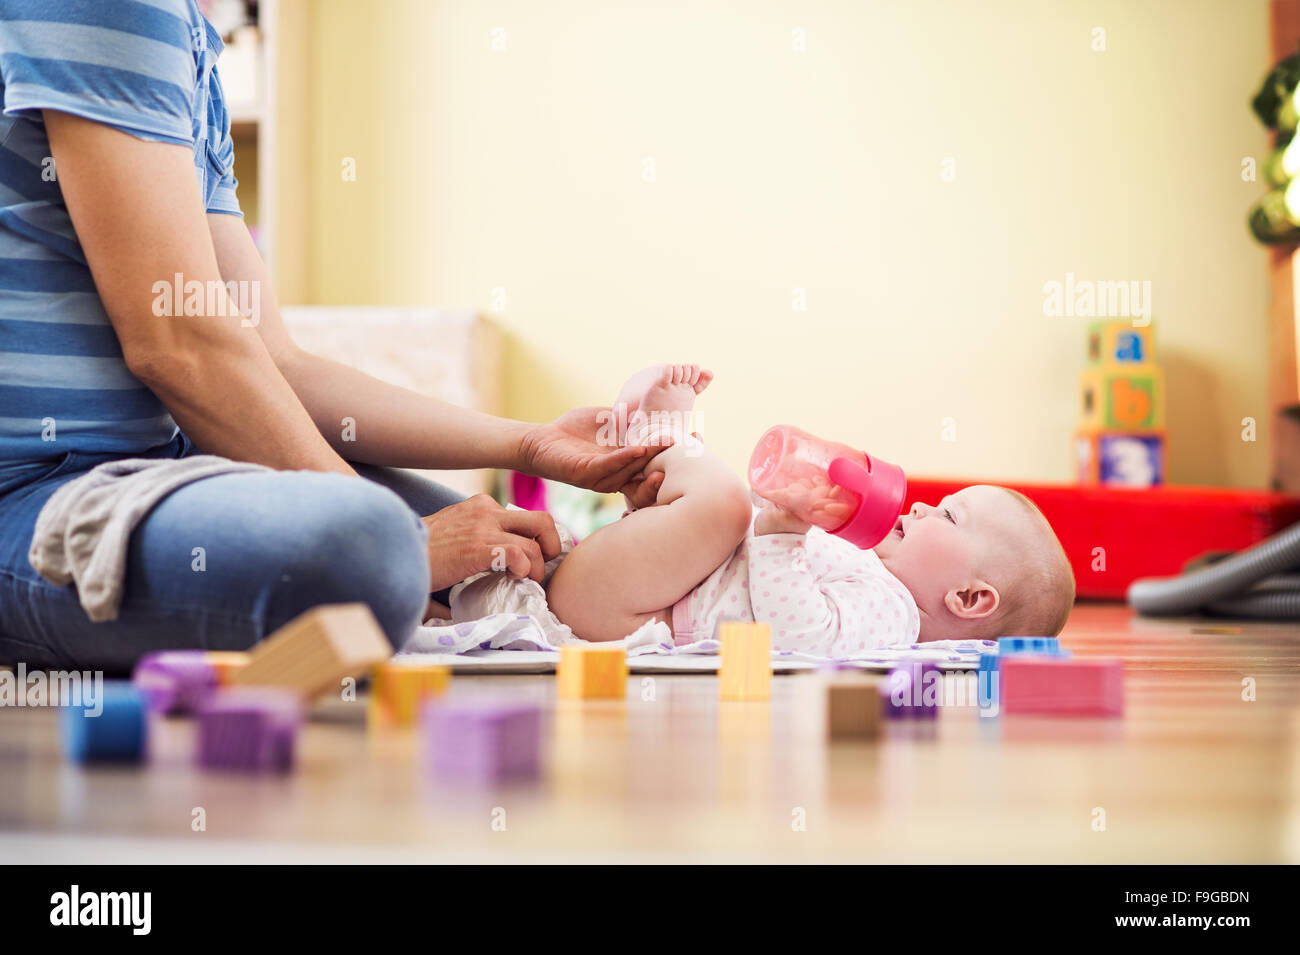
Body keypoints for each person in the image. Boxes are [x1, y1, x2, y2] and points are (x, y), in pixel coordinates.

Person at [0, 0, 663, 672]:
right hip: (36, 496)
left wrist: (527, 442)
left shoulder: (190, 43)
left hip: (166, 469)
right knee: (371, 548)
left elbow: (274, 361)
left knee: (519, 559)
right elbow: (176, 343)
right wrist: (409, 539)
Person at [545, 365, 1076, 651]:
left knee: (721, 507)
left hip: (631, 612)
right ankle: (655, 458)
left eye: (948, 516)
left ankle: (660, 438)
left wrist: (779, 533)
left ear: (968, 597)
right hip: (642, 585)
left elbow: (801, 636)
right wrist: (781, 508)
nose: (921, 510)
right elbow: (762, 559)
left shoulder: (894, 617)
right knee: (725, 512)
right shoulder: (866, 564)